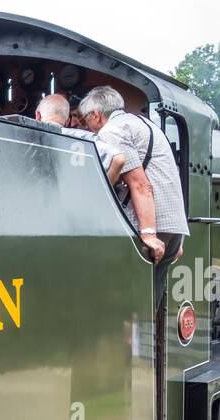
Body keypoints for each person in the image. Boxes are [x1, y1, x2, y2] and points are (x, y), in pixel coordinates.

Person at [77, 85, 188, 306]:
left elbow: (140, 184)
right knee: (151, 298)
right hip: (172, 226)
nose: (86, 126)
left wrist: (148, 233)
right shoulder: (147, 125)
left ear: (95, 114)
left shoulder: (112, 131)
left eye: (85, 120)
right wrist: (175, 238)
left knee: (131, 302)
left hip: (147, 225)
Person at [34, 93, 126, 185]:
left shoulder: (29, 135)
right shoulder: (85, 139)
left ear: (38, 116)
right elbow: (118, 159)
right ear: (67, 121)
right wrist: (101, 190)